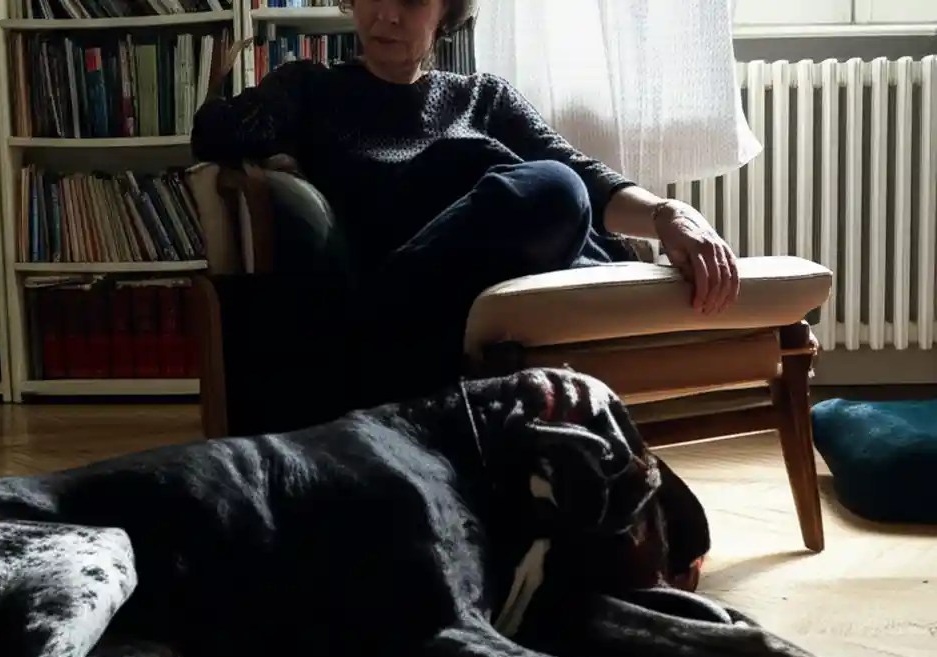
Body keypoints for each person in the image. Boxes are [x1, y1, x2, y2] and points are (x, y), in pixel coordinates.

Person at [190, 0, 740, 408]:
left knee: (555, 187)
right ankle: (368, 344)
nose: (387, 17)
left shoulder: (484, 96)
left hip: (516, 277)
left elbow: (585, 175)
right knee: (545, 186)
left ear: (445, 12)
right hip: (414, 282)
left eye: (410, 1)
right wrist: (277, 135)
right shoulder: (311, 87)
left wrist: (671, 215)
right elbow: (214, 134)